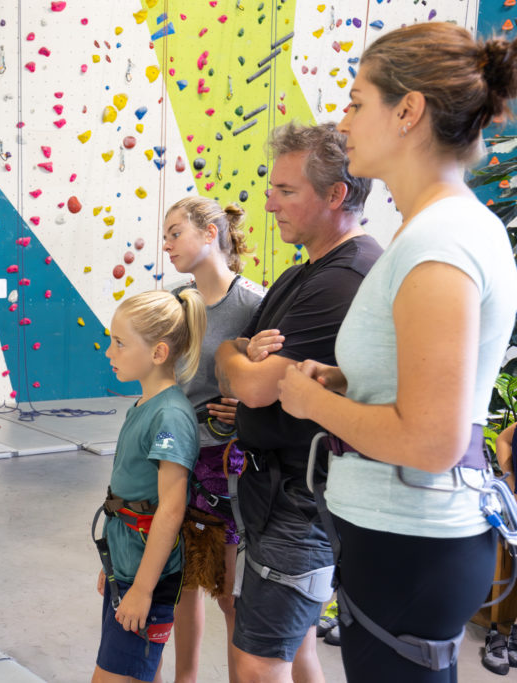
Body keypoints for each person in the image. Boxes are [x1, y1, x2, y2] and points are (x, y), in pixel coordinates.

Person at [276, 22, 517, 681]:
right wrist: (349, 380)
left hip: (414, 540)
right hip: (404, 537)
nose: (344, 120)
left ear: (407, 111)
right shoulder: (441, 228)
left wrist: (312, 399)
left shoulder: (439, 237)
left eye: (357, 102)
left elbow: (434, 436)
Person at [213, 122, 380, 682]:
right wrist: (238, 356)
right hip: (278, 491)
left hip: (299, 501)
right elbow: (235, 357)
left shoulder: (343, 279)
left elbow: (255, 384)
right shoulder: (302, 272)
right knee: (295, 646)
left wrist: (236, 360)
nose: (269, 202)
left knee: (257, 661)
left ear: (336, 195)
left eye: (286, 191)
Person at [162, 197, 263, 683]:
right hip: (176, 455)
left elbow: (273, 383)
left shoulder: (255, 304)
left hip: (226, 464)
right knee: (181, 580)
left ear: (210, 232)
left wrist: (246, 406)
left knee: (229, 591)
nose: (166, 245)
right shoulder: (175, 301)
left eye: (175, 232)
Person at [93, 289, 207, 683]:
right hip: (126, 567)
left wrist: (142, 588)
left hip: (149, 579)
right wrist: (113, 570)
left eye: (119, 343)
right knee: (141, 673)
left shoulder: (170, 416)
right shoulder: (142, 406)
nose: (110, 352)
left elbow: (170, 510)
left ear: (158, 353)